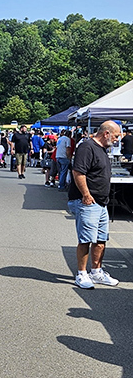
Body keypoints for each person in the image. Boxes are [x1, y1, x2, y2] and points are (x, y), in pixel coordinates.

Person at [67, 121, 121, 289]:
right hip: (88, 201)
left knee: (101, 239)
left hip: (101, 202)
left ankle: (96, 272)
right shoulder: (87, 147)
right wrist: (86, 194)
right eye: (116, 136)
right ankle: (82, 274)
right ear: (106, 133)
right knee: (86, 239)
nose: (118, 139)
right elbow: (78, 172)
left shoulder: (102, 149)